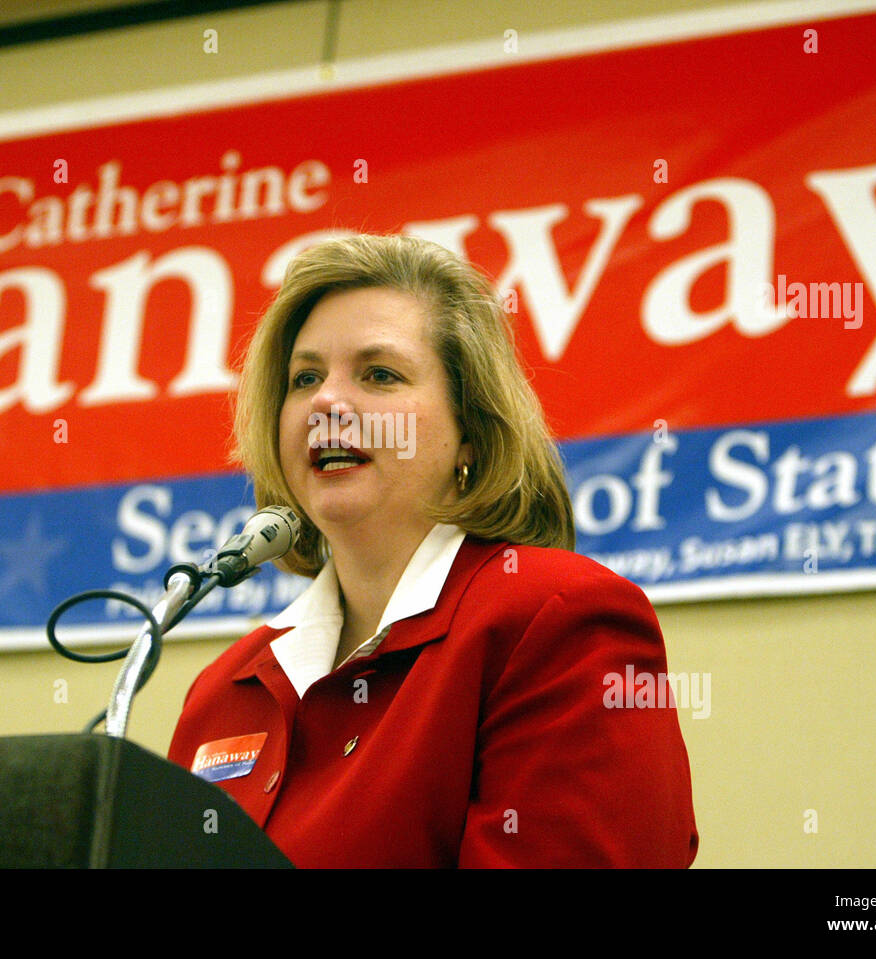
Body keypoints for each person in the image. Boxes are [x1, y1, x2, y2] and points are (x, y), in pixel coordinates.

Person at [168, 234, 699, 867]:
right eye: (304, 377)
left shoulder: (555, 620)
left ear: (471, 432)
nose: (326, 403)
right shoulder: (225, 689)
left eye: (379, 374)